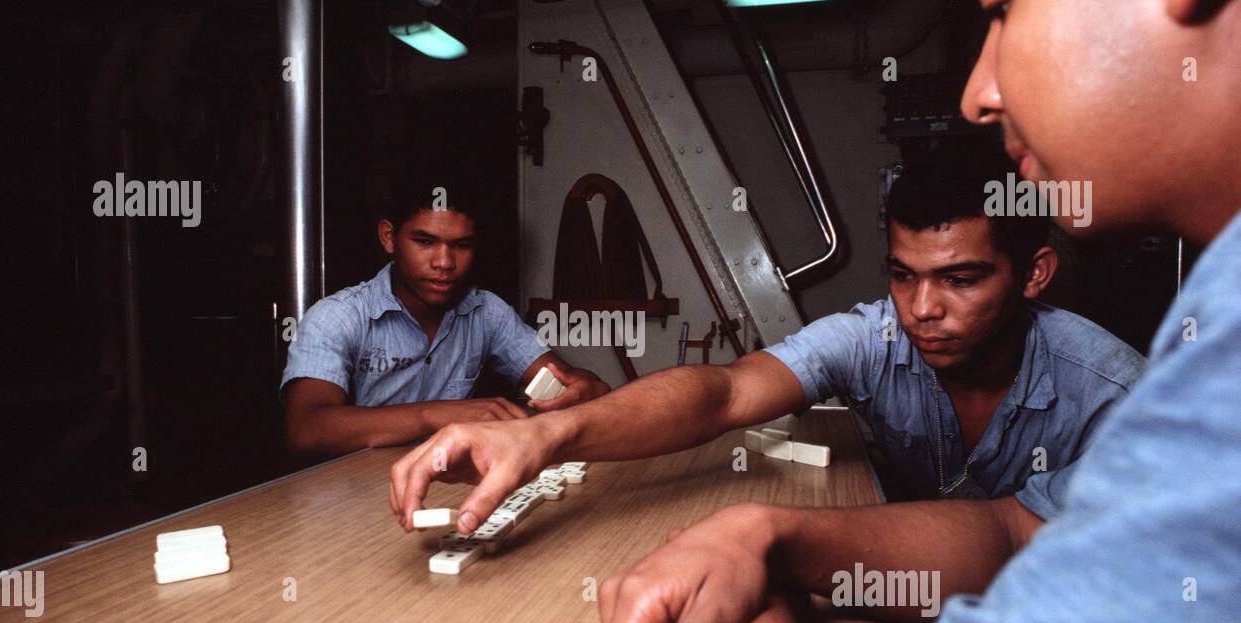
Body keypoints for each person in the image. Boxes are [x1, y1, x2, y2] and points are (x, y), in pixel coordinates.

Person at [588, 0, 1241, 623]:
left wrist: (748, 601)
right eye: (904, 276)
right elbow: (1010, 530)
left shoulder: (1150, 389)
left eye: (1002, 6)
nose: (979, 93)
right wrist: (763, 533)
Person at [387, 153, 1143, 533]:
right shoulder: (869, 336)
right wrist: (549, 436)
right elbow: (723, 392)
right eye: (903, 276)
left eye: (962, 280)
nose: (921, 310)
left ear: (1035, 275)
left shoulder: (1119, 396)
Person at [281, 186, 609, 456]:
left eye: (461, 246)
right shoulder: (337, 316)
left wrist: (582, 389)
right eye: (424, 242)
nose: (444, 263)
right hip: (350, 500)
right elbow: (306, 428)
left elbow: (569, 381)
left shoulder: (487, 311)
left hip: (448, 486)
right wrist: (438, 415)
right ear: (389, 237)